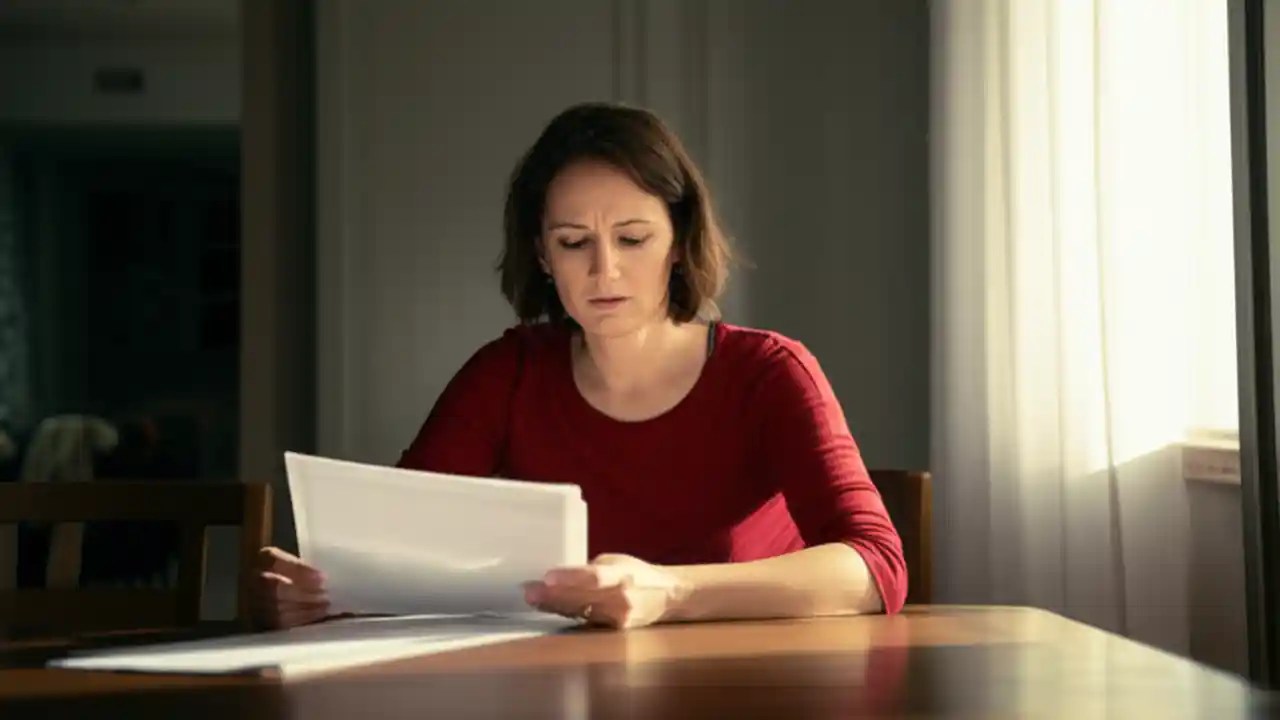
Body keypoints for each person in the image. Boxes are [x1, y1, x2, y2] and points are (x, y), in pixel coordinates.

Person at [253, 102, 907, 631]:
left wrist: (668, 591)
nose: (605, 271)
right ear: (541, 254)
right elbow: (394, 550)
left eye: (632, 238)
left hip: (751, 687)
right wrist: (325, 589)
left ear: (678, 242)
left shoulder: (768, 371)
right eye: (574, 243)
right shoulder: (505, 375)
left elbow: (877, 567)